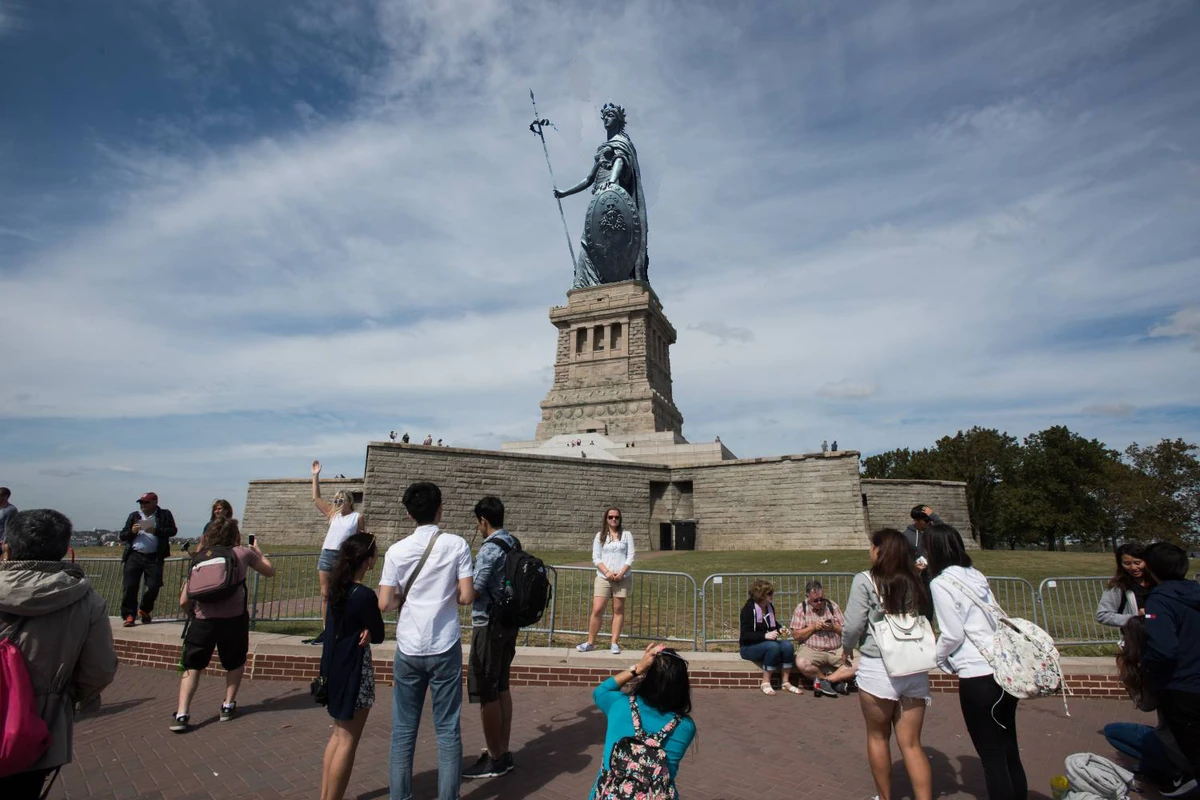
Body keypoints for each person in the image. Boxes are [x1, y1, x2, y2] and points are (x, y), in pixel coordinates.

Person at [0, 509, 118, 799]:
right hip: (38, 727)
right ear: (66, 549)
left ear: (8, 547)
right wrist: (63, 697)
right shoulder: (88, 602)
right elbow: (99, 669)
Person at [378, 481, 474, 800]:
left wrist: (406, 598)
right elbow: (466, 596)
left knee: (403, 731)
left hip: (409, 645)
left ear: (408, 514)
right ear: (440, 509)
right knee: (447, 729)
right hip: (444, 643)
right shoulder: (457, 545)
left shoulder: (396, 551)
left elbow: (385, 602)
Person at [926, 523, 1027, 800]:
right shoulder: (976, 575)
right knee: (1009, 749)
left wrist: (938, 657)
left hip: (977, 675)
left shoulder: (941, 582)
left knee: (991, 758)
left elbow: (952, 633)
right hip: (1003, 670)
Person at [842, 528, 932, 800]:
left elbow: (853, 625)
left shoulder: (865, 580)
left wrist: (846, 650)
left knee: (878, 737)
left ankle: (884, 797)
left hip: (879, 665)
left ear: (879, 550)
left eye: (872, 546)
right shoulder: (915, 579)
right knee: (913, 744)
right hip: (914, 665)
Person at [172, 517, 275, 732]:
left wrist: (192, 613)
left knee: (193, 667)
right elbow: (269, 571)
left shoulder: (199, 558)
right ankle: (228, 705)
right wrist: (259, 551)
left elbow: (184, 600)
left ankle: (182, 713)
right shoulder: (243, 553)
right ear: (234, 535)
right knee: (235, 663)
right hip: (234, 620)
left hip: (202, 621)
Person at [320, 533, 385, 800]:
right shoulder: (364, 595)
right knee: (348, 741)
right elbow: (380, 633)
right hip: (355, 669)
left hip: (335, 666)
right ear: (368, 561)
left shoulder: (338, 588)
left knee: (337, 736)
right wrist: (370, 628)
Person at [589, 642, 696, 798]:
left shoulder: (619, 705)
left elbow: (601, 691)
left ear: (648, 680)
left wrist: (638, 668)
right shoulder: (684, 727)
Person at [1105, 616, 1195, 796]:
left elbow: (1145, 704)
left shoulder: (1154, 667)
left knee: (1113, 732)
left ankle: (1175, 772)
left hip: (1181, 742)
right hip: (1184, 734)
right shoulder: (1186, 657)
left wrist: (1128, 671)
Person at [463, 496, 519, 781]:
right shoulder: (512, 542)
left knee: (487, 691)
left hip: (489, 625)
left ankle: (495, 758)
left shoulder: (490, 549)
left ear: (483, 521)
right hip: (508, 625)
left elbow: (475, 589)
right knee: (502, 686)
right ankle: (503, 750)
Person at [1141, 542, 1200, 779]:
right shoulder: (1194, 593)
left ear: (1152, 569)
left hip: (1183, 687)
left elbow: (1164, 648)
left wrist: (1145, 665)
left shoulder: (1160, 600)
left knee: (1193, 753)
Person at [312, 460, 365, 645]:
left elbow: (362, 539)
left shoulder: (356, 517)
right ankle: (326, 630)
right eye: (335, 500)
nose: (337, 502)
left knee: (343, 593)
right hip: (327, 555)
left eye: (340, 500)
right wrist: (315, 476)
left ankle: (343, 627)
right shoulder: (332, 515)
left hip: (344, 558)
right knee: (326, 594)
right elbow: (316, 499)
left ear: (349, 501)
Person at [578, 507, 636, 654]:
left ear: (620, 518)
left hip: (622, 577)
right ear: (606, 519)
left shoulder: (626, 535)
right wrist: (608, 572)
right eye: (610, 517)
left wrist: (621, 572)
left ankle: (614, 643)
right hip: (604, 577)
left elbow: (631, 556)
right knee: (597, 609)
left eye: (616, 517)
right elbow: (596, 557)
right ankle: (590, 642)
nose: (614, 519)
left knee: (618, 610)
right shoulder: (600, 536)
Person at [118, 491, 178, 626]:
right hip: (134, 555)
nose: (143, 505)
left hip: (154, 557)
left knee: (154, 585)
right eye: (141, 503)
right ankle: (129, 615)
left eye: (146, 502)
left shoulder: (164, 514)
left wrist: (156, 531)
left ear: (155, 502)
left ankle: (145, 609)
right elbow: (123, 535)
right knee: (130, 586)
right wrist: (132, 531)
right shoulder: (134, 516)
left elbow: (173, 531)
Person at [790, 579, 858, 697]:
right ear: (808, 597)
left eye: (822, 599)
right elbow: (796, 635)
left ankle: (827, 681)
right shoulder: (801, 608)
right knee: (801, 662)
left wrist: (833, 627)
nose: (820, 602)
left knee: (861, 662)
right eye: (816, 600)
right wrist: (814, 627)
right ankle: (833, 683)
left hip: (836, 648)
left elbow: (845, 631)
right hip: (812, 649)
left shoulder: (832, 606)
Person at [739, 578, 801, 695]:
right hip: (748, 647)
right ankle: (765, 682)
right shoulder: (747, 610)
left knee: (787, 645)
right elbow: (745, 635)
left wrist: (780, 629)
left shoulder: (769, 607)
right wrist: (765, 635)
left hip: (764, 643)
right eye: (769, 594)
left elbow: (772, 625)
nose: (772, 595)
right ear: (761, 595)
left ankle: (785, 682)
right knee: (773, 646)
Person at [1097, 542, 1153, 629]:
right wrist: (1134, 618)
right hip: (1135, 637)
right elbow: (1103, 615)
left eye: (1137, 563)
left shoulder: (1158, 583)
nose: (1133, 568)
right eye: (1127, 564)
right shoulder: (1118, 586)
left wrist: (1150, 616)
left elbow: (1154, 616)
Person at [904, 505, 942, 619]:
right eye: (926, 520)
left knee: (930, 614)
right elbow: (902, 559)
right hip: (917, 581)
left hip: (933, 578)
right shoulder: (907, 536)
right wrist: (913, 566)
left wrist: (933, 516)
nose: (929, 522)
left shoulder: (932, 532)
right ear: (917, 520)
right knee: (919, 614)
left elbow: (946, 531)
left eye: (930, 519)